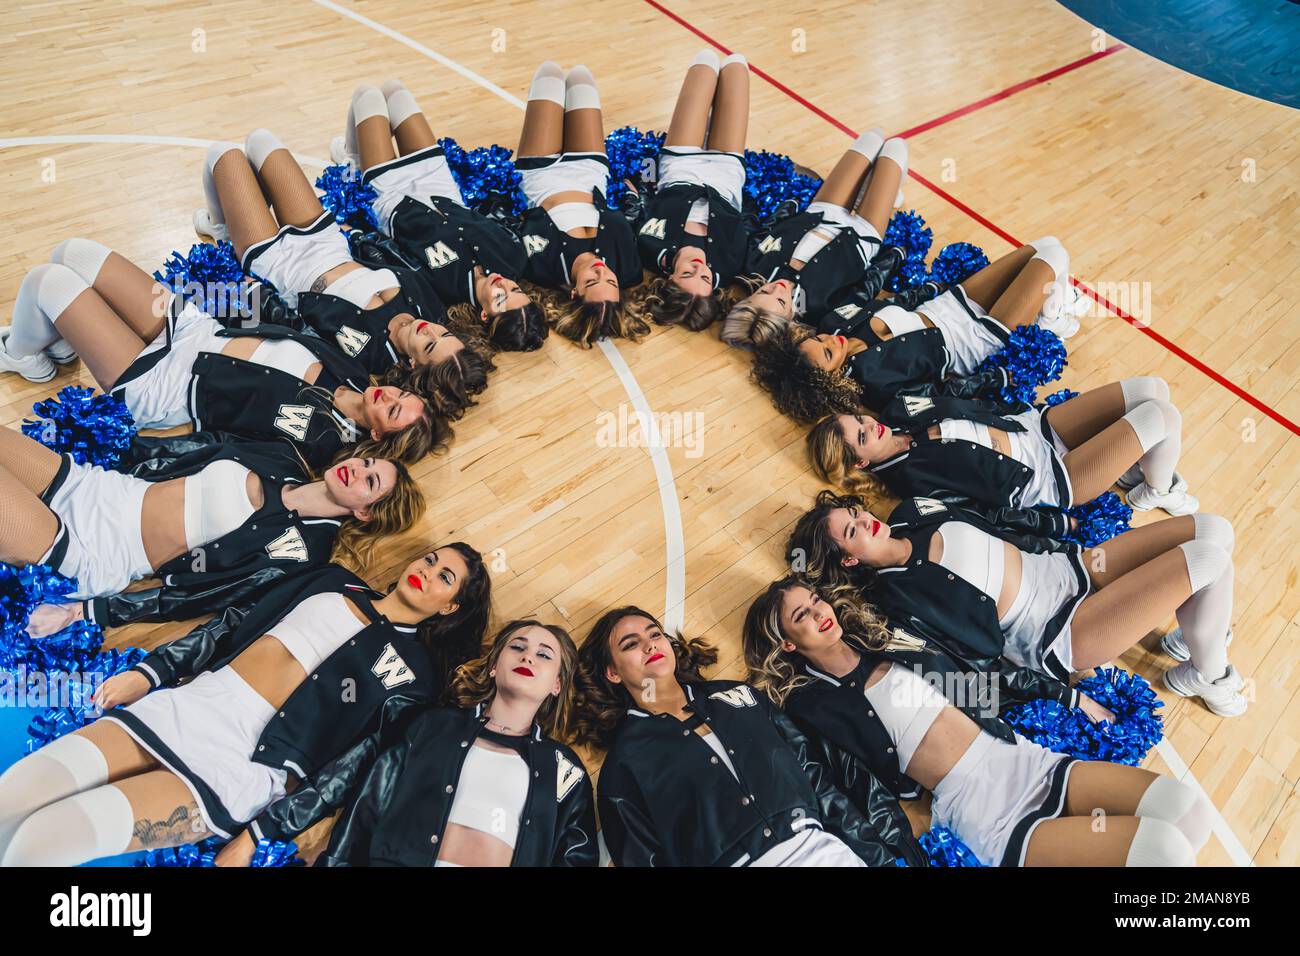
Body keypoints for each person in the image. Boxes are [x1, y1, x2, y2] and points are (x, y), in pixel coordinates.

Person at [0, 545, 491, 866]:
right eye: (429, 559)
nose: (427, 571)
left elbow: (353, 765)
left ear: (450, 608)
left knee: (47, 837)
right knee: (14, 794)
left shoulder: (419, 676)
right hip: (191, 704)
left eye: (444, 576)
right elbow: (233, 620)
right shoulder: (332, 579)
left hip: (244, 766)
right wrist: (150, 671)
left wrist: (262, 832)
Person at [742, 577, 1217, 866]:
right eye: (800, 615)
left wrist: (1065, 695)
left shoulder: (891, 638)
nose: (818, 612)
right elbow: (848, 791)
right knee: (1166, 853)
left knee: (1189, 813)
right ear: (787, 643)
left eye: (815, 600)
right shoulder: (811, 707)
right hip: (982, 806)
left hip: (1021, 755)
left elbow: (980, 684)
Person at [3, 233, 442, 468]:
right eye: (403, 395)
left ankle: (25, 356)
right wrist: (224, 298)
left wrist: (144, 451)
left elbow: (226, 448)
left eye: (394, 411)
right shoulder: (357, 374)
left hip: (165, 384)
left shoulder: (318, 444)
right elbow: (286, 329)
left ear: (379, 436)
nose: (391, 396)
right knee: (75, 253)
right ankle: (57, 345)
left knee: (49, 281)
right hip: (197, 330)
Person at [790, 492, 1247, 717]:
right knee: (1208, 560)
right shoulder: (894, 601)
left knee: (1214, 530)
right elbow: (970, 667)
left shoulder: (911, 512)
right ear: (849, 559)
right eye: (852, 531)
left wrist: (1056, 526)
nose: (865, 521)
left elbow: (995, 522)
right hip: (1060, 630)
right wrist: (1069, 697)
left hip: (1071, 569)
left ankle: (1196, 643)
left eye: (855, 513)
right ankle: (1208, 675)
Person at [218, 620, 596, 867]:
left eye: (544, 655)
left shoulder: (564, 771)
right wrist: (258, 834)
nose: (529, 655)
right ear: (494, 666)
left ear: (556, 684)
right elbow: (342, 778)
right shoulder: (430, 725)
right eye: (517, 646)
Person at [572, 605, 924, 866]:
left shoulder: (739, 696)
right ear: (612, 673)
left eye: (654, 633)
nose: (650, 645)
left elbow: (815, 777)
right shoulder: (623, 766)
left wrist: (879, 857)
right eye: (631, 644)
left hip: (826, 851)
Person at [0, 420, 421, 633]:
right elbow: (192, 450)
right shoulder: (283, 456)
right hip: (103, 489)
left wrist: (87, 611)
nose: (356, 470)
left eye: (370, 482)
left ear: (366, 513)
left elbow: (205, 595)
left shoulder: (306, 550)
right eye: (367, 462)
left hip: (100, 548)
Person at [749, 237, 1085, 421]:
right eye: (826, 352)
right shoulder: (877, 388)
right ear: (831, 378)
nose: (829, 339)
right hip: (973, 340)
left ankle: (1051, 314)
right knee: (1055, 255)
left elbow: (872, 293)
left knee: (1043, 245)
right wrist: (994, 379)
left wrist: (899, 258)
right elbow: (943, 397)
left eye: (817, 339)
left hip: (951, 304)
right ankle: (1051, 320)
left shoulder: (834, 322)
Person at [333, 80, 547, 353]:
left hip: (393, 199)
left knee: (367, 95)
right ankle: (353, 163)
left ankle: (352, 161)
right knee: (395, 91)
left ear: (485, 314)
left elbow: (394, 255)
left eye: (501, 299)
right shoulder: (513, 257)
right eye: (516, 291)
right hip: (437, 182)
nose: (504, 285)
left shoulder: (443, 292)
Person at [808, 377, 1199, 516]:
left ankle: (1133, 465)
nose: (870, 426)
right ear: (858, 463)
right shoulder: (910, 482)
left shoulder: (899, 410)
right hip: (1048, 478)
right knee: (1163, 416)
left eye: (859, 419)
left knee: (1151, 389)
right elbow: (984, 515)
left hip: (1035, 428)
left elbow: (962, 400)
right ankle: (1155, 491)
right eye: (861, 436)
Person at [721, 127, 908, 348]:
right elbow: (864, 290)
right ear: (789, 319)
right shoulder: (821, 311)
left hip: (822, 212)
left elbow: (767, 231)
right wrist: (894, 256)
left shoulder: (753, 266)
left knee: (872, 138)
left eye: (765, 290)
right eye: (781, 301)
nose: (779, 287)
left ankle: (871, 189)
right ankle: (878, 192)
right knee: (896, 147)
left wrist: (788, 208)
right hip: (863, 235)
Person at [514, 61, 646, 347]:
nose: (601, 271)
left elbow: (512, 225)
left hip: (540, 171)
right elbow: (630, 220)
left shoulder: (541, 268)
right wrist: (633, 197)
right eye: (610, 282)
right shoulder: (629, 269)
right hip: (591, 169)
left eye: (591, 281)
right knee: (581, 76)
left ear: (574, 292)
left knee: (549, 73)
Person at [638, 49, 753, 331]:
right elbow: (747, 222)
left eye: (688, 272)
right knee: (737, 66)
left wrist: (645, 167)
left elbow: (643, 204)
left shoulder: (648, 248)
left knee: (705, 62)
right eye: (704, 278)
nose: (701, 267)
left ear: (670, 279)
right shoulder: (729, 265)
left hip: (680, 165)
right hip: (727, 171)